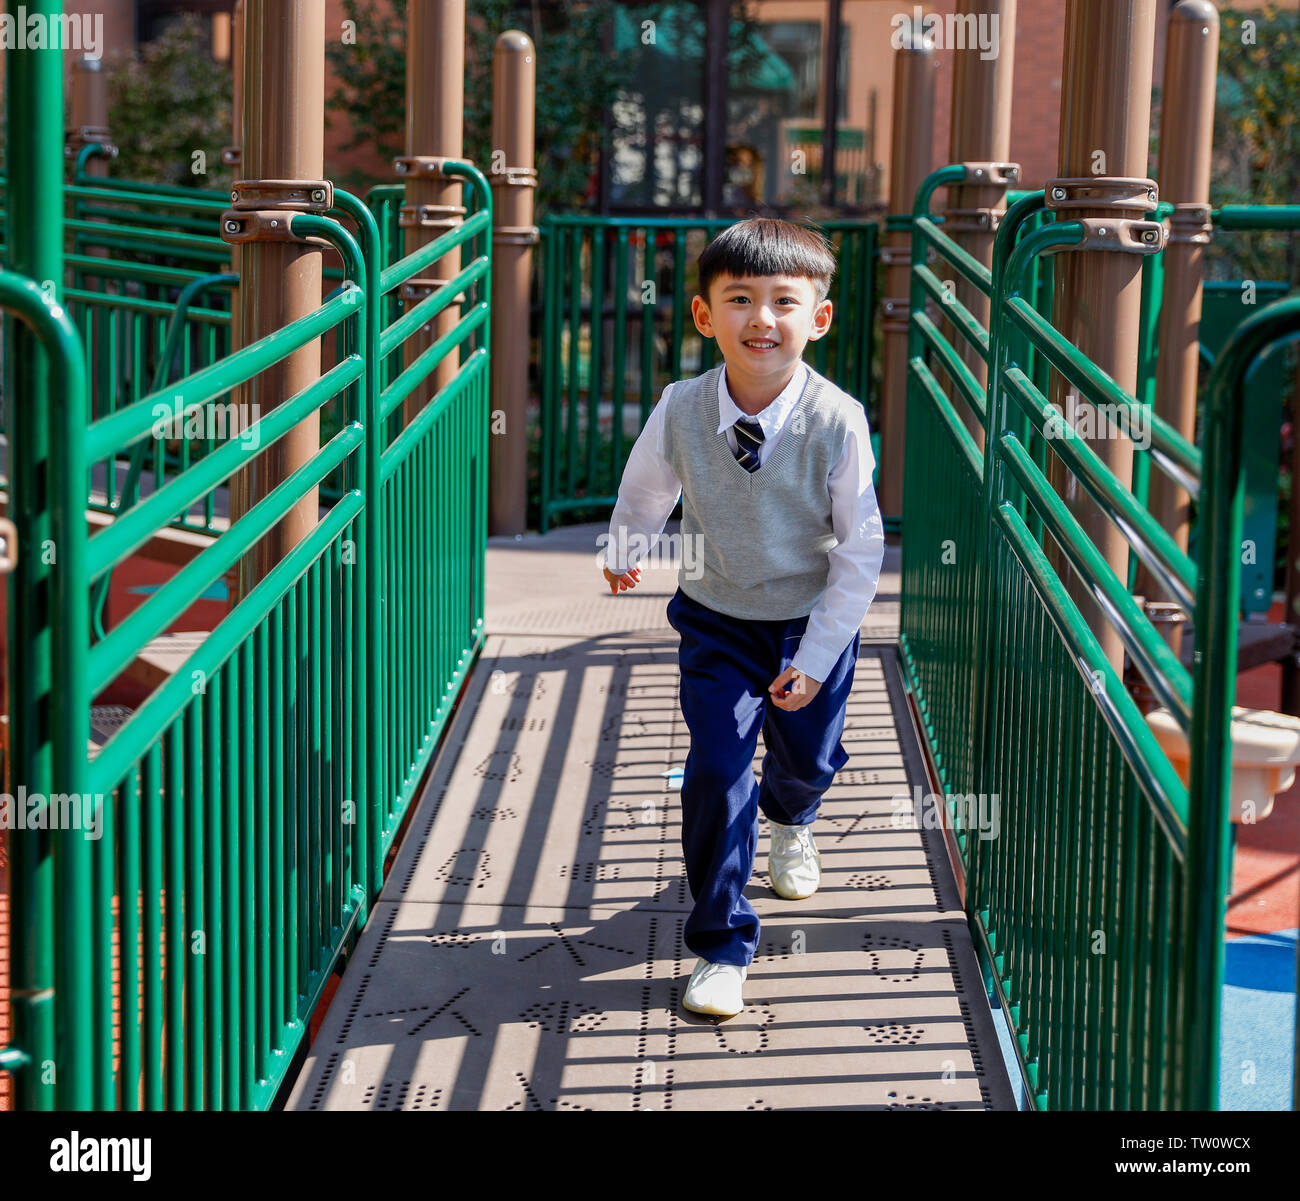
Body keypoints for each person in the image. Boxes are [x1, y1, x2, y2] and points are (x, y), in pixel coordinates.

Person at [598, 217, 886, 1017]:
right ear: (703, 315)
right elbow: (650, 485)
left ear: (818, 319)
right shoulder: (681, 406)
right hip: (717, 619)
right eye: (740, 300)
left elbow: (861, 551)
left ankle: (794, 817)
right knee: (719, 768)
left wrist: (820, 653)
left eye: (784, 301)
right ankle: (722, 941)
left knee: (806, 755)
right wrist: (626, 543)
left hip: (808, 622)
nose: (763, 319)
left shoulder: (838, 420)